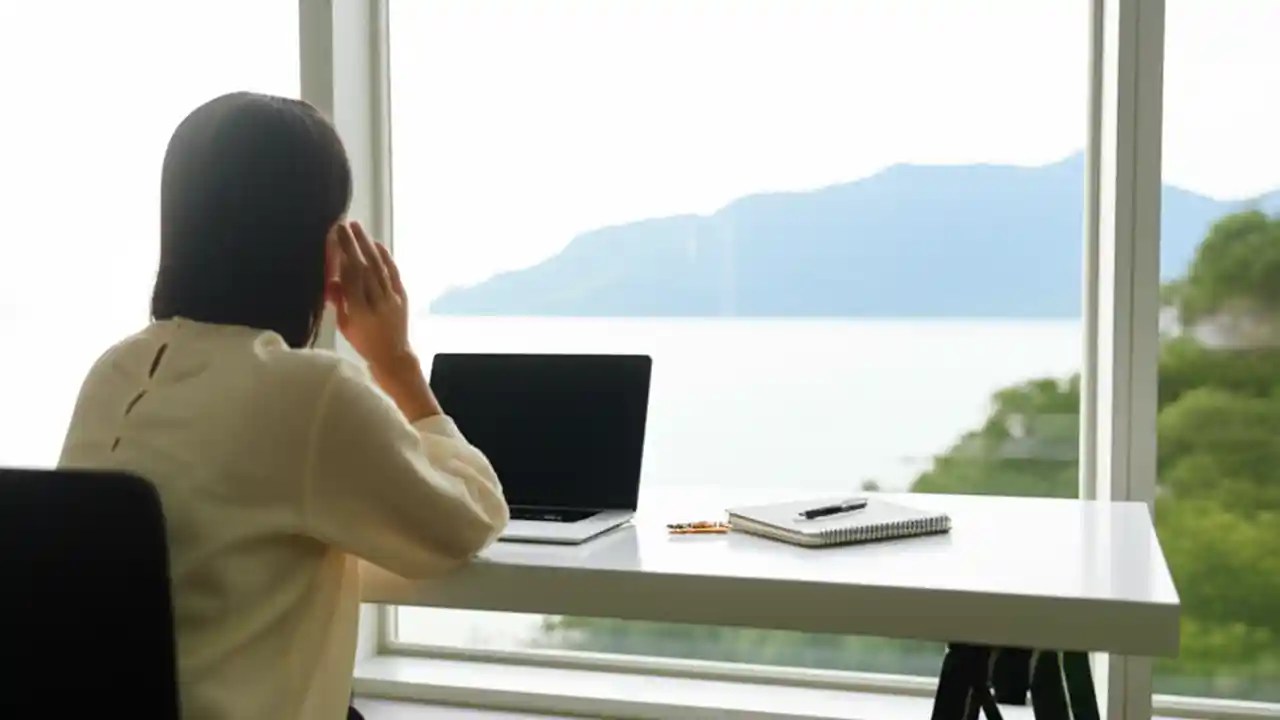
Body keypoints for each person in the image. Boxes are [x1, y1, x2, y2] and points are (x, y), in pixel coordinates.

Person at [58, 92, 509, 720]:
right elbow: (468, 520)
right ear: (329, 249)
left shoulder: (112, 373)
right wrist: (396, 364)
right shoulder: (311, 394)